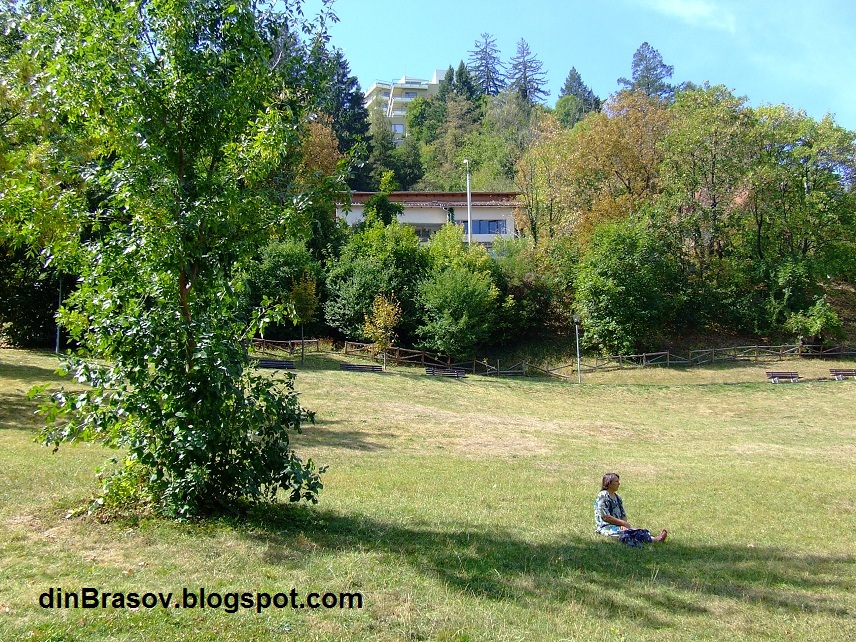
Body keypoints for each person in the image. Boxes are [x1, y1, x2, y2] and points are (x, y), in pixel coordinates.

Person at [594, 472, 667, 546]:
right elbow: (605, 517)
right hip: (606, 527)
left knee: (638, 531)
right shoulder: (603, 496)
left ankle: (655, 539)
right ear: (608, 483)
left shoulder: (618, 498)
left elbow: (623, 514)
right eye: (616, 481)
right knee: (626, 535)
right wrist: (622, 523)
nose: (619, 483)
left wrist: (623, 525)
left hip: (618, 526)